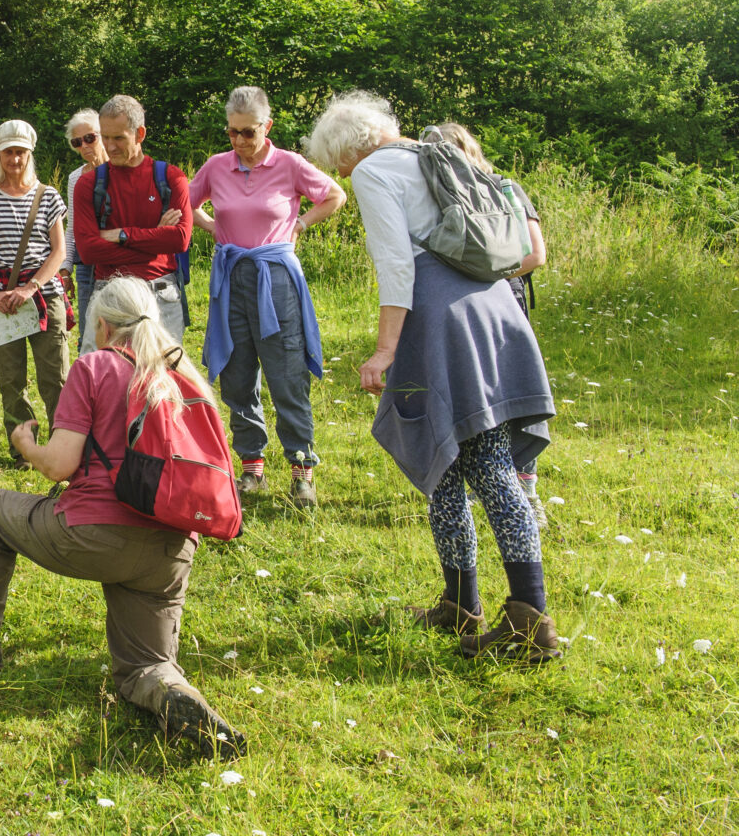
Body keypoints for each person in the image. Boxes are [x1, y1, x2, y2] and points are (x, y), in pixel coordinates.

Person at [0, 276, 245, 758]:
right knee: (144, 666)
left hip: (93, 534)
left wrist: (25, 445)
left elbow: (60, 465)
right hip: (170, 547)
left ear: (102, 327)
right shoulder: (186, 375)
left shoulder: (95, 366)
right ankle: (173, 692)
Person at [303, 91, 560, 662]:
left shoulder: (372, 170)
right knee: (442, 461)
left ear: (349, 148)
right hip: (491, 306)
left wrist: (384, 349)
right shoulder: (432, 151)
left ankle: (531, 621)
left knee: (487, 461)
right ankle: (460, 600)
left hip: (439, 318)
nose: (340, 174)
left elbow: (396, 262)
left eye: (336, 162)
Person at [186, 86, 346, 507]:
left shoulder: (289, 164)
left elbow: (334, 195)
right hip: (231, 273)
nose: (239, 142)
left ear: (266, 127)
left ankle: (301, 467)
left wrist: (303, 224)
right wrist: (211, 228)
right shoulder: (217, 167)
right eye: (232, 133)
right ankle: (252, 465)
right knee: (237, 372)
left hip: (275, 276)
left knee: (286, 370)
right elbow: (184, 203)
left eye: (248, 133)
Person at [421, 121, 549, 525]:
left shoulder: (501, 186)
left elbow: (535, 254)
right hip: (455, 311)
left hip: (501, 305)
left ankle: (525, 487)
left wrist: (486, 274)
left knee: (508, 394)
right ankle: (473, 480)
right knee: (466, 393)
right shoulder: (434, 196)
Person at [0, 120, 70, 454]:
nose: (15, 159)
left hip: (45, 297)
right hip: (3, 303)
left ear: (30, 154)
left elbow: (59, 251)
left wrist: (31, 288)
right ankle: (23, 449)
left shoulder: (48, 196)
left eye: (21, 152)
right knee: (11, 380)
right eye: (9, 152)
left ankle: (62, 447)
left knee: (55, 378)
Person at [72, 94, 193, 351]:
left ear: (140, 134)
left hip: (159, 294)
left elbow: (180, 239)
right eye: (105, 137)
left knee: (162, 380)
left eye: (119, 138)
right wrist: (155, 236)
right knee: (101, 380)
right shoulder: (88, 184)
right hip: (109, 295)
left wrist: (123, 235)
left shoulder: (171, 178)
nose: (110, 146)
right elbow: (88, 250)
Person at [61, 108, 109, 341]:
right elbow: (72, 226)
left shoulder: (120, 170)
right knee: (89, 331)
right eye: (77, 142)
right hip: (87, 265)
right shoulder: (75, 177)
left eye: (90, 137)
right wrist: (66, 267)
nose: (85, 146)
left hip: (118, 260)